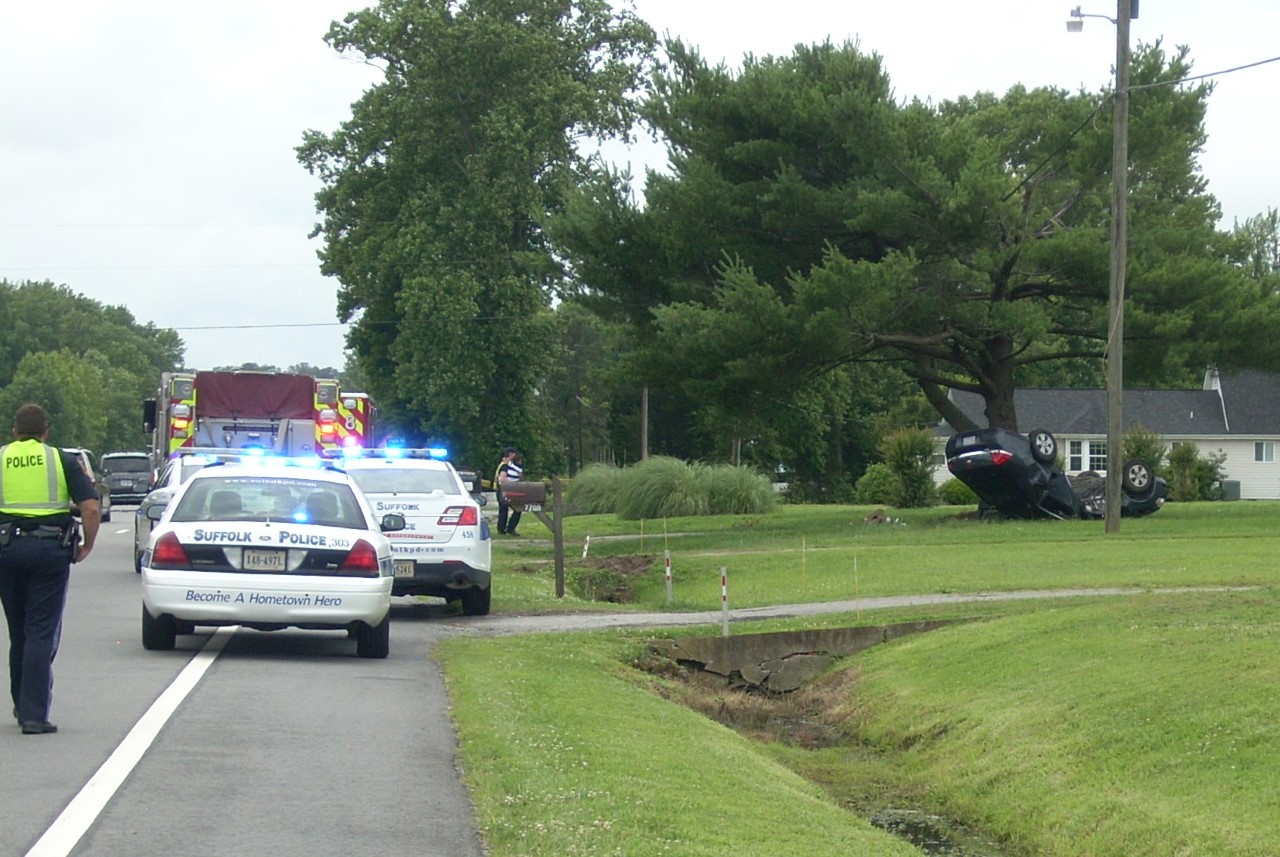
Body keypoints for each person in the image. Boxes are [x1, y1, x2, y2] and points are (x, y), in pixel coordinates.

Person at [0, 404, 99, 735]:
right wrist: (88, 544)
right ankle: (33, 714)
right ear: (46, 432)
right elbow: (90, 506)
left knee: (19, 631)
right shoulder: (62, 460)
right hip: (48, 551)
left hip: (6, 550)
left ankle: (20, 703)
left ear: (14, 431)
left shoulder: (1, 458)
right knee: (40, 631)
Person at [495, 447, 523, 536]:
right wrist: (514, 485)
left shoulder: (504, 464)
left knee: (506, 510)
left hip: (503, 490)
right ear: (510, 454)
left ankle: (503, 529)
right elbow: (502, 478)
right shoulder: (505, 465)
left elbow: (496, 478)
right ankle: (506, 529)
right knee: (507, 510)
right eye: (514, 454)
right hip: (505, 490)